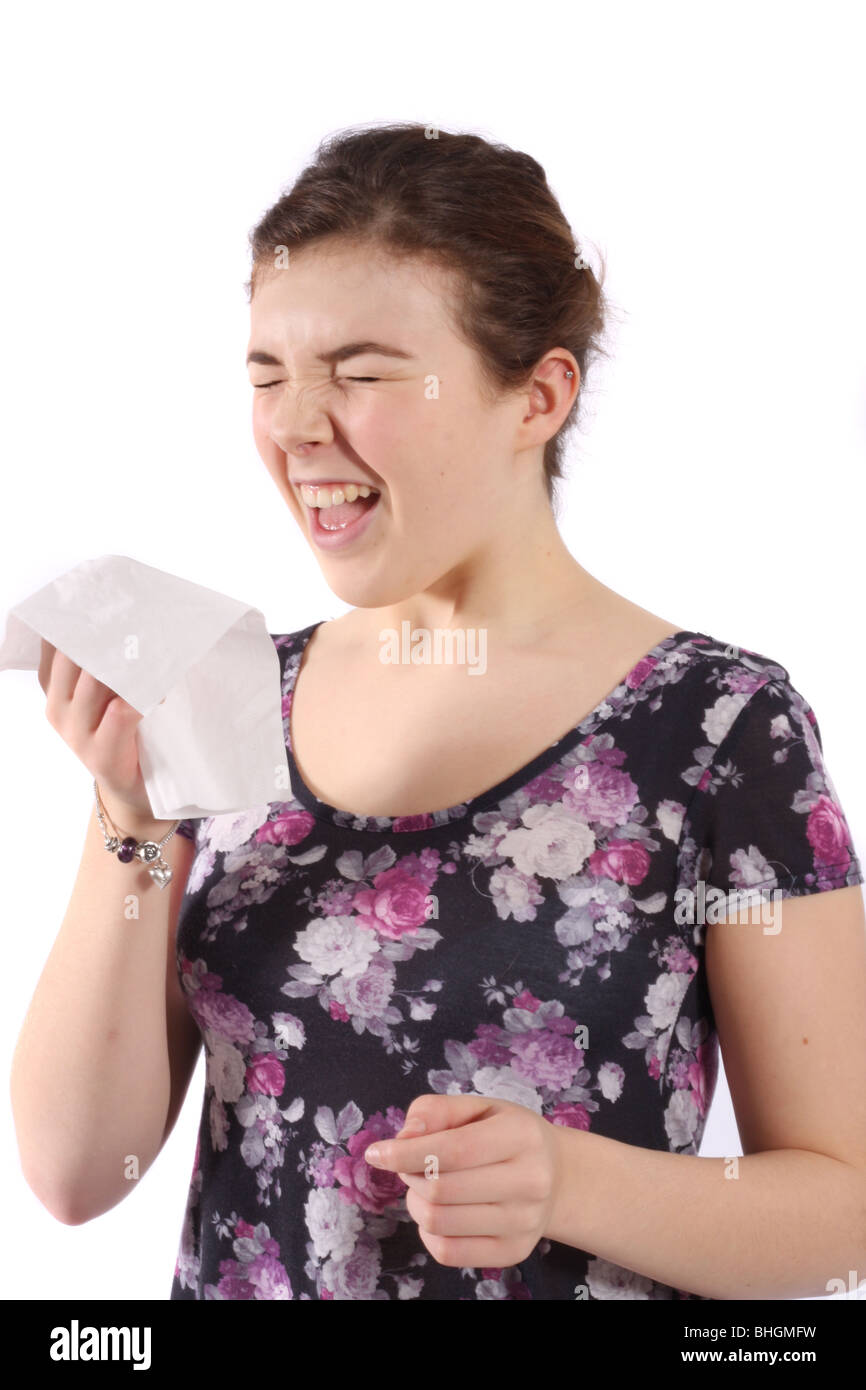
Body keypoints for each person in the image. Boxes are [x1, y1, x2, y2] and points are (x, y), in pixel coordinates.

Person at [12, 123, 866, 1302]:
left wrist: (567, 1182)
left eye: (360, 373)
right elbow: (71, 1174)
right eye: (266, 374)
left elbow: (840, 1212)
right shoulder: (230, 691)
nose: (296, 424)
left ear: (538, 395)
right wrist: (130, 821)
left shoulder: (718, 726)